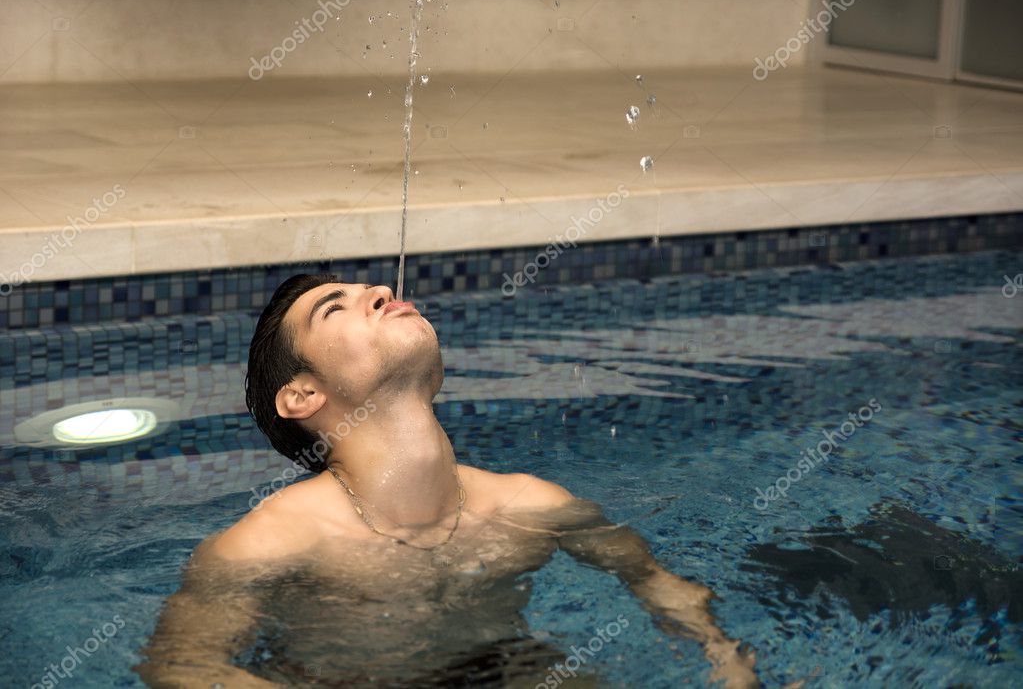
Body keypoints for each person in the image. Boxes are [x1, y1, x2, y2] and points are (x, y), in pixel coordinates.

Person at [137, 274, 761, 688]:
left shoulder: (533, 506)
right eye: (336, 307)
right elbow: (181, 665)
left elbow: (655, 581)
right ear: (302, 395)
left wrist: (727, 661)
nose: (380, 289)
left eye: (369, 287)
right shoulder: (271, 541)